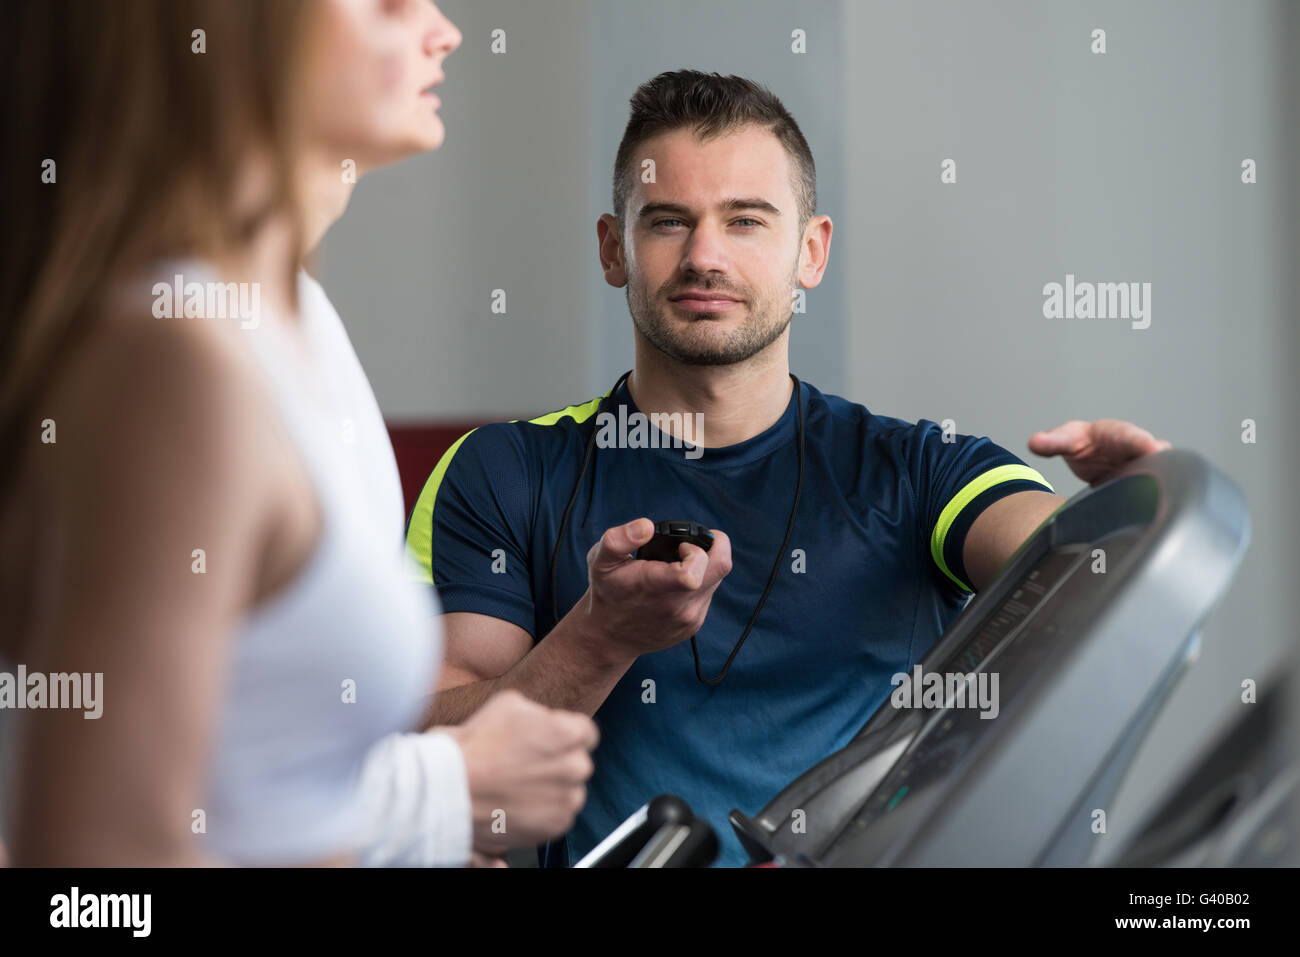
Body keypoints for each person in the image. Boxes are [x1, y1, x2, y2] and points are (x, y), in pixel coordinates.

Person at [403, 70, 1173, 867]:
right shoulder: (505, 470)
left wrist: (1141, 514)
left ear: (811, 251)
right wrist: (600, 638)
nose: (705, 255)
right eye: (669, 221)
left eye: (745, 221)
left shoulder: (919, 469)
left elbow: (1078, 564)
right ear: (613, 249)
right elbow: (422, 765)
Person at [0, 0, 595, 866]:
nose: (440, 30)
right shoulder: (169, 361)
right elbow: (94, 888)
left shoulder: (298, 325)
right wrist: (433, 801)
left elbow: (248, 784)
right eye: (383, 1)